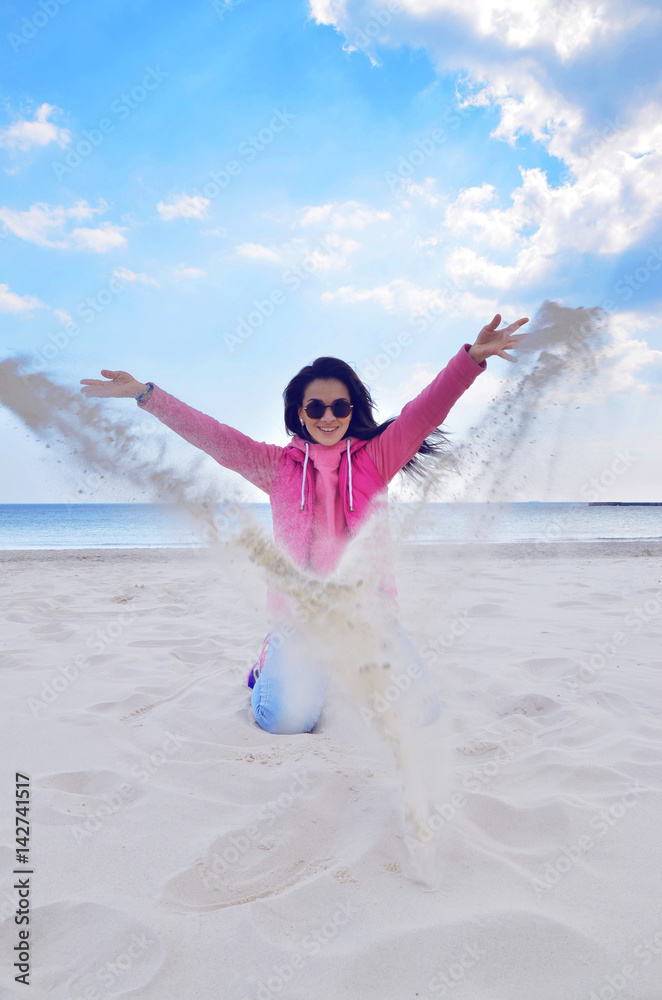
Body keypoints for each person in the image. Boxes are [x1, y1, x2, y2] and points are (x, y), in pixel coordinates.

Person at [80, 312, 528, 735]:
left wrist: (470, 360)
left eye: (340, 406)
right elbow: (213, 435)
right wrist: (146, 395)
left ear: (353, 409)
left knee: (419, 714)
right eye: (316, 408)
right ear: (299, 412)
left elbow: (426, 411)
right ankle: (267, 663)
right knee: (286, 722)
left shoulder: (378, 457)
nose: (329, 416)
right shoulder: (274, 466)